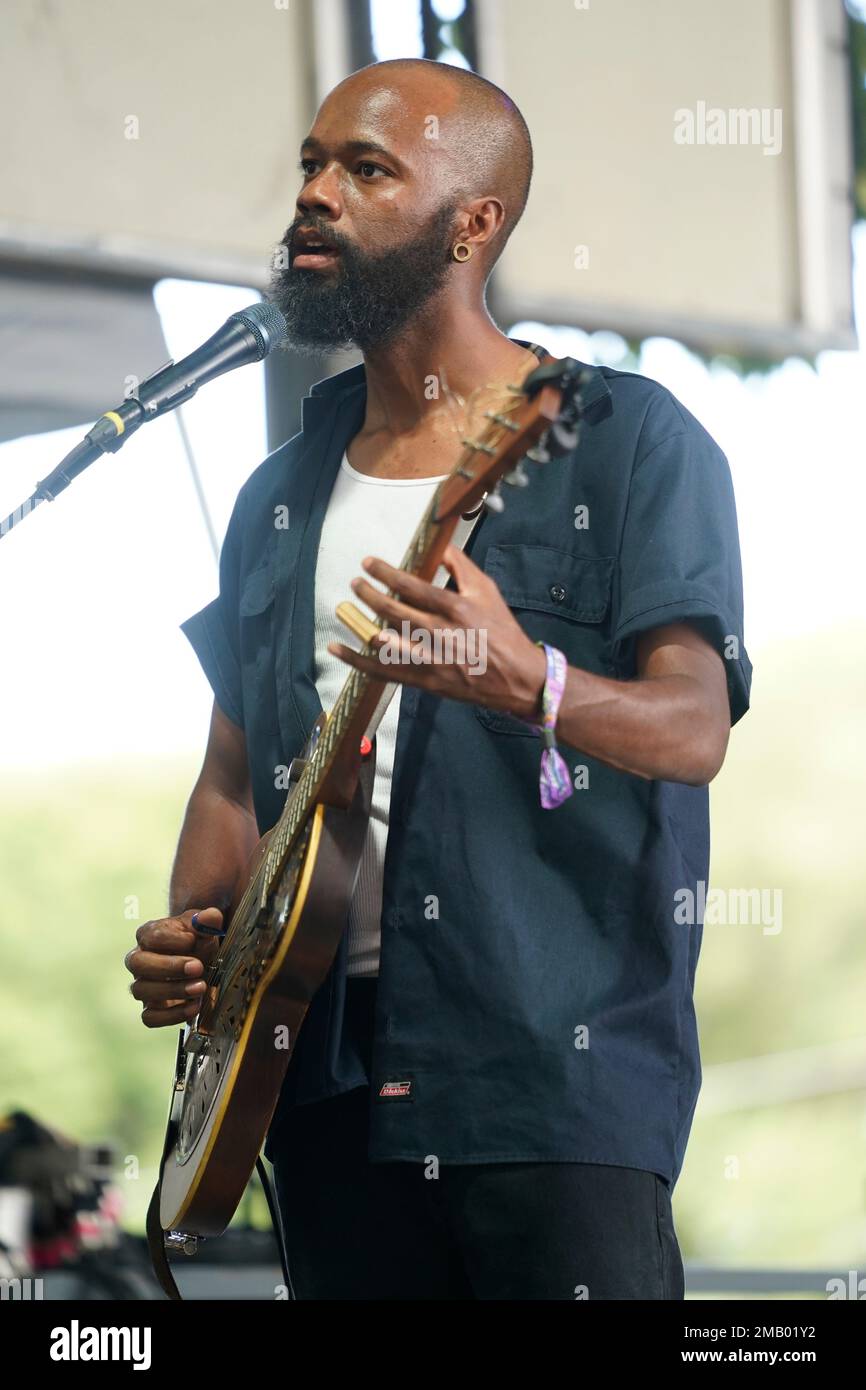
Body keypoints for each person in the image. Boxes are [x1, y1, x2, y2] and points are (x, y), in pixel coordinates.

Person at [124, 58, 752, 1300]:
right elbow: (233, 775)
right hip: (315, 1085)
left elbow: (692, 730)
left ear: (475, 223)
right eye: (311, 163)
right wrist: (201, 947)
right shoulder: (279, 493)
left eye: (366, 169)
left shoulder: (621, 439)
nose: (316, 194)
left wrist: (532, 682)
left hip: (545, 1079)